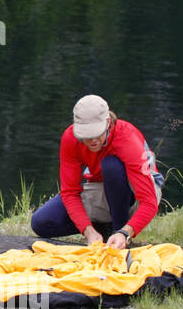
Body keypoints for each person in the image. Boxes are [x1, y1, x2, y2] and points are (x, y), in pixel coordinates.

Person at [30, 94, 164, 250]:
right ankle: (103, 230)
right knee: (41, 223)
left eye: (97, 133)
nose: (92, 141)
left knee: (111, 166)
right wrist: (88, 231)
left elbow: (149, 202)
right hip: (102, 187)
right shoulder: (70, 138)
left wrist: (125, 232)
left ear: (107, 122)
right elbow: (70, 192)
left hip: (140, 192)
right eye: (87, 136)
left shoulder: (127, 138)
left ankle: (118, 232)